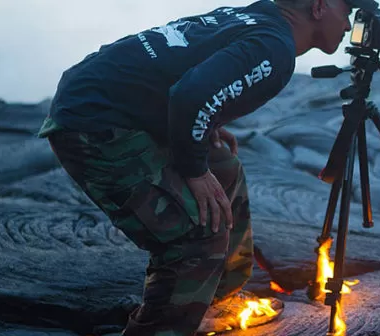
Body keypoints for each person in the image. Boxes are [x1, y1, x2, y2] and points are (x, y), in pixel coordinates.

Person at [37, 0, 354, 334]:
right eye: (347, 12)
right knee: (194, 238)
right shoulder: (274, 47)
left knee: (222, 166)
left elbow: (184, 66)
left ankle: (219, 300)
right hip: (94, 122)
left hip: (103, 97)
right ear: (319, 6)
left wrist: (204, 128)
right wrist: (193, 169)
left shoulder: (259, 15)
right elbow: (190, 95)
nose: (348, 26)